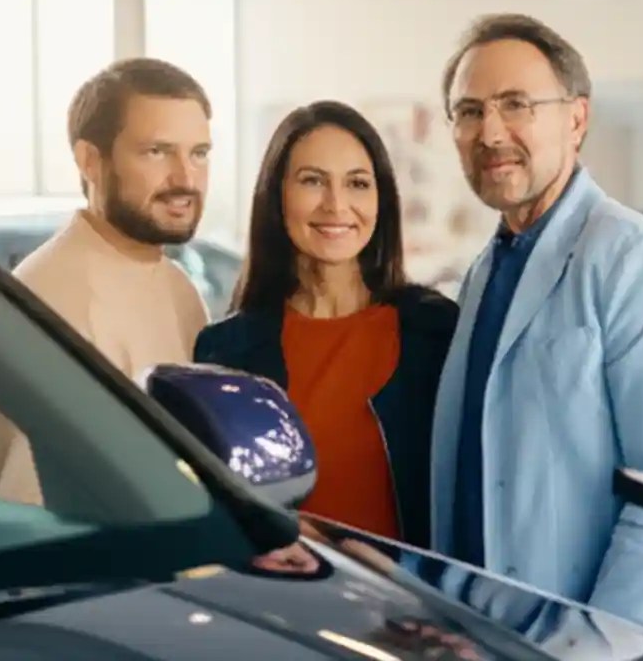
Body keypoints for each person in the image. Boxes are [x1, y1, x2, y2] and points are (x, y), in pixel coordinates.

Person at [428, 13, 643, 641]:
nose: (490, 131)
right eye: (469, 111)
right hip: (488, 634)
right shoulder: (487, 270)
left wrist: (586, 649)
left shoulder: (634, 259)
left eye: (515, 105)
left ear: (576, 118)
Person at [194, 100, 458, 549]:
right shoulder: (225, 351)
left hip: (412, 609)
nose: (337, 205)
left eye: (357, 183)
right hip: (285, 607)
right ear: (277, 197)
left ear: (381, 201)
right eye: (313, 181)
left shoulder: (435, 332)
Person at [0, 57, 213, 504]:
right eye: (157, 152)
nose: (186, 178)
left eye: (198, 153)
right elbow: (37, 515)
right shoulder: (50, 302)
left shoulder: (178, 288)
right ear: (90, 161)